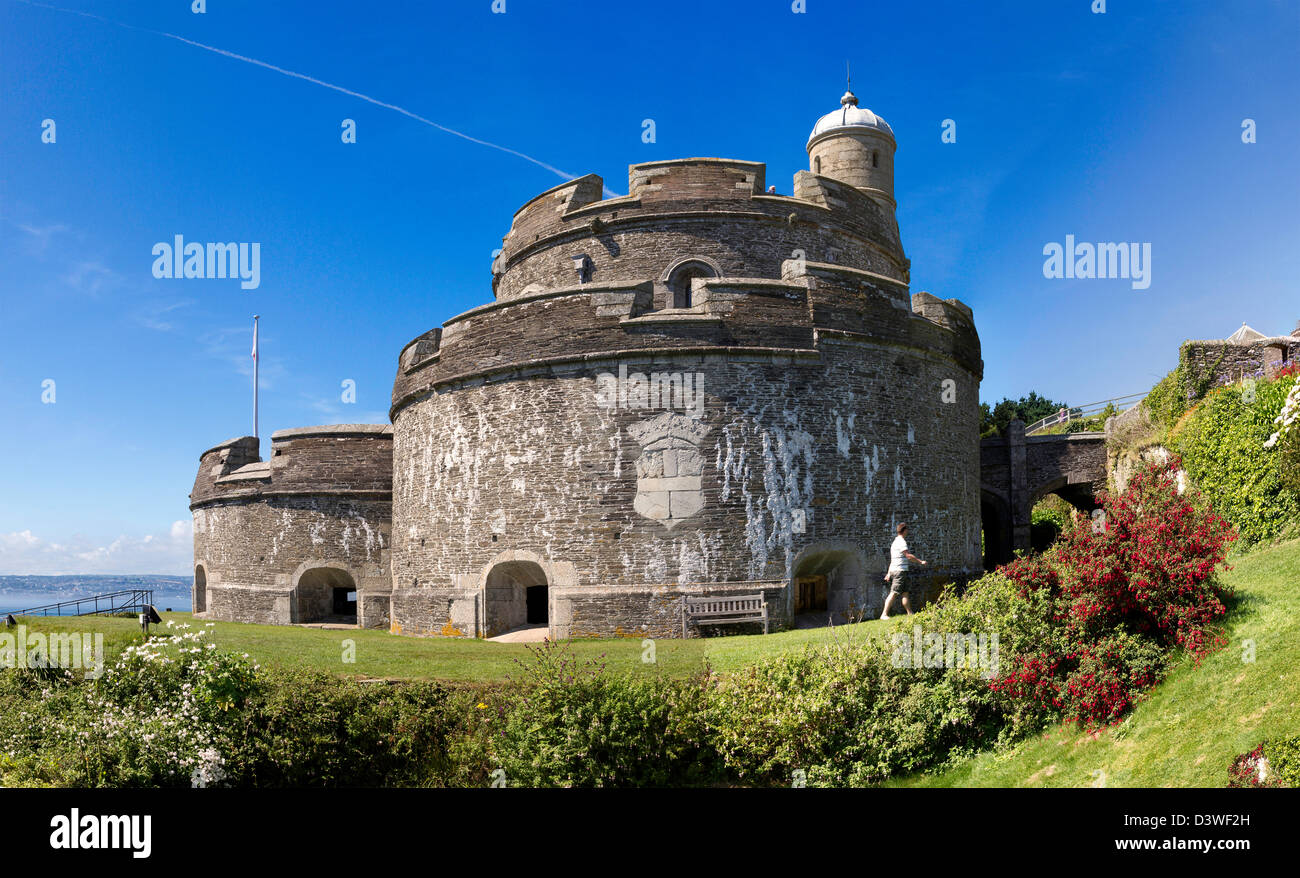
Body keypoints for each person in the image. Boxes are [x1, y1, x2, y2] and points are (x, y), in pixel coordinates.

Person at [881, 522, 927, 620]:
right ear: (904, 530)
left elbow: (893, 559)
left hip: (900, 571)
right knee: (893, 593)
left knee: (905, 592)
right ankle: (884, 614)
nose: (908, 532)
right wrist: (920, 562)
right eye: (907, 530)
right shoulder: (901, 542)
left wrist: (889, 573)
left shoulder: (895, 542)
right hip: (900, 571)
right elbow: (908, 556)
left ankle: (910, 613)